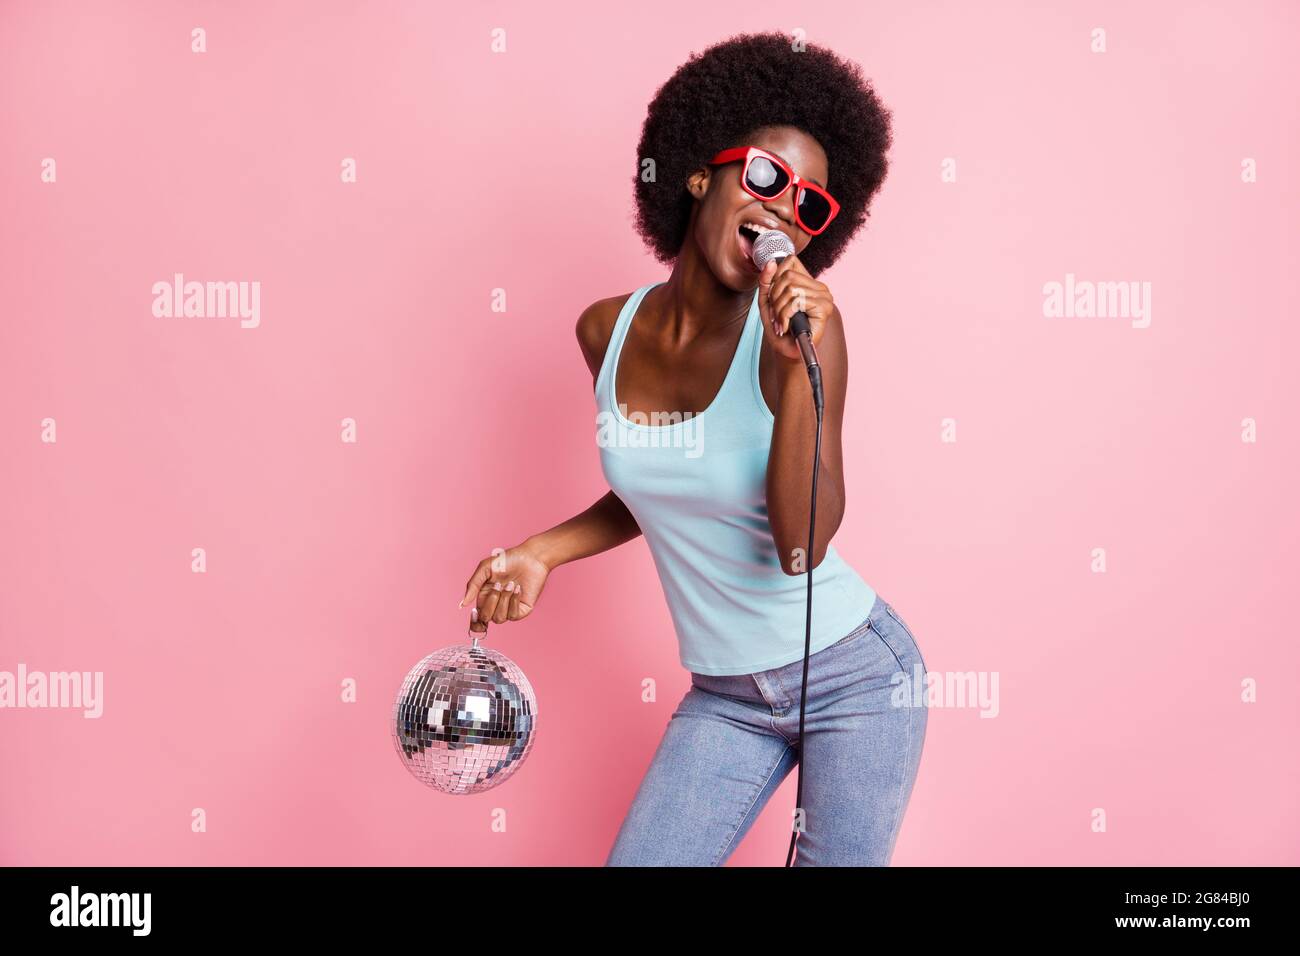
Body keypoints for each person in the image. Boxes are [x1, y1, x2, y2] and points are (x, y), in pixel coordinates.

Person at [459, 31, 927, 866]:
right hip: (726, 696)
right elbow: (662, 482)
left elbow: (799, 547)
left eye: (809, 205)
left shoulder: (804, 335)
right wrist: (541, 552)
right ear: (698, 173)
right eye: (764, 177)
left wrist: (791, 372)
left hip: (858, 677)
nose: (783, 209)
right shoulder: (607, 329)